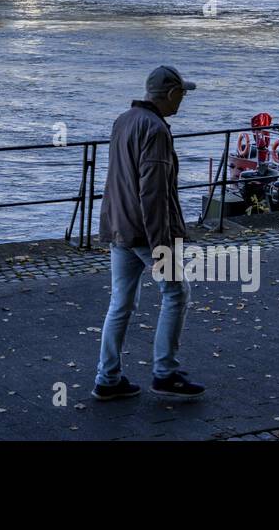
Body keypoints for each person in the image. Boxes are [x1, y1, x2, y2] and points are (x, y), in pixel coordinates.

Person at [93, 65, 206, 401]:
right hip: (145, 231)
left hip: (119, 227)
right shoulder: (155, 129)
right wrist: (162, 245)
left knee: (121, 303)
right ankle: (165, 372)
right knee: (176, 293)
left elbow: (118, 179)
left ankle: (107, 377)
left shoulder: (123, 120)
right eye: (181, 93)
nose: (183, 99)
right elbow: (153, 193)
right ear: (169, 94)